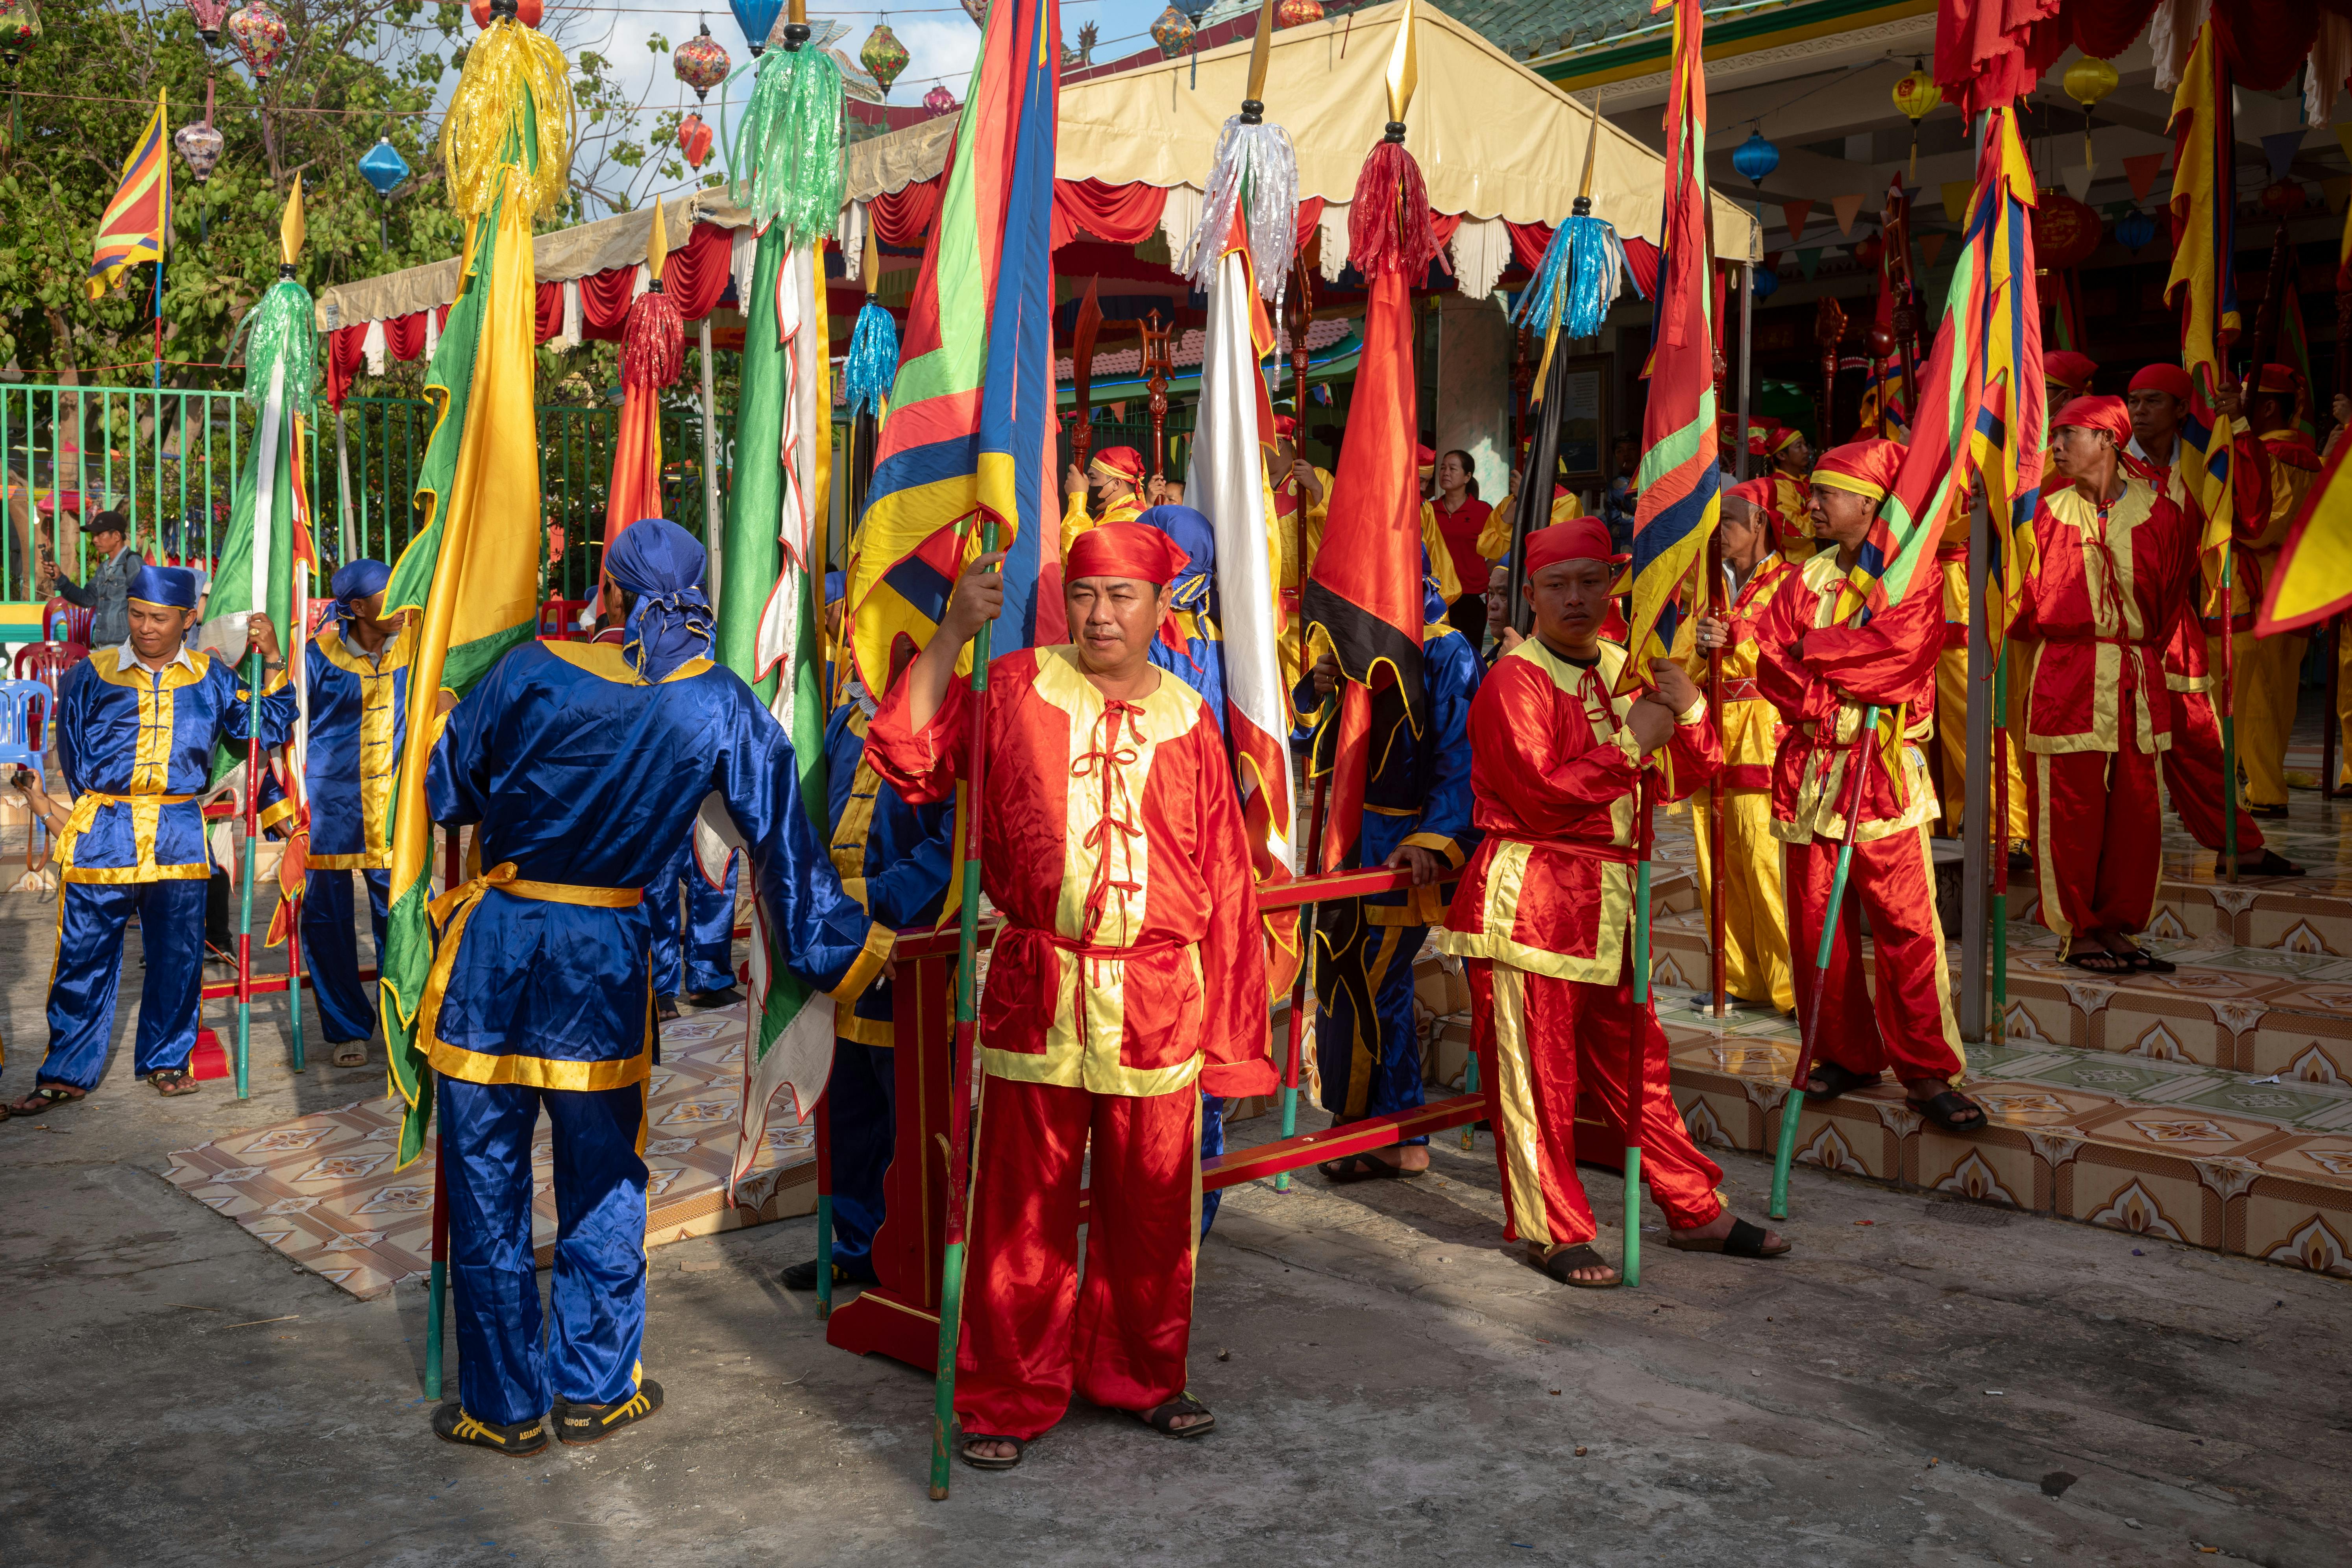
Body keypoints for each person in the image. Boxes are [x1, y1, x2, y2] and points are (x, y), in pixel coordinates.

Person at [422, 517, 886, 1457]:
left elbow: (446, 790)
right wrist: (840, 950)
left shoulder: (522, 670)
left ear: (612, 591)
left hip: (494, 951)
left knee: (485, 1183)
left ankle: (502, 1407)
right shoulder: (718, 699)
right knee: (601, 1179)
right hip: (601, 962)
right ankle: (594, 1388)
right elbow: (783, 843)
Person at [869, 521, 1272, 1469]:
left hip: (1158, 999)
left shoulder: (1189, 717)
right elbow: (911, 748)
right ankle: (1004, 1394)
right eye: (1086, 594)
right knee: (1019, 1212)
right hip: (1037, 987)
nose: (1100, 615)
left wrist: (1231, 1031)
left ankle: (1140, 1373)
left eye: (1122, 597)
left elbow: (1224, 880)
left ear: (1158, 610)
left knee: (1151, 1208)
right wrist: (950, 634)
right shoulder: (1013, 690)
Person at [1434, 518, 1788, 1287]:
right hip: (1530, 905)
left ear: (1612, 588)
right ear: (1529, 595)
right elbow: (1540, 798)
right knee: (1540, 1081)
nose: (1576, 598)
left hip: (1609, 906)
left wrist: (1689, 712)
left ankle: (1694, 1207)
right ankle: (1553, 1230)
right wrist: (1637, 742)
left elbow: (1693, 777)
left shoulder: (1627, 669)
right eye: (1558, 585)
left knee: (1640, 1072)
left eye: (1591, 582)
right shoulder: (1513, 681)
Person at [1754, 439, 1983, 1134]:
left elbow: (1900, 656)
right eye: (1813, 493)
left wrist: (1813, 653)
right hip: (1811, 768)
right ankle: (1844, 1051)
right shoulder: (1805, 577)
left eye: (1826, 493)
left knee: (1906, 925)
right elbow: (1770, 659)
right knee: (1814, 920)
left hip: (1879, 770)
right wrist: (1820, 683)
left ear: (1870, 502)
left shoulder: (1912, 578)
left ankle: (1926, 1068)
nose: (1812, 504)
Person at [6, 566, 291, 1115]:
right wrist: (95, 808)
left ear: (188, 620)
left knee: (177, 957)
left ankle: (166, 1059)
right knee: (82, 957)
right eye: (136, 614)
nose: (145, 627)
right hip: (103, 833)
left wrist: (272, 659)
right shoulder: (92, 673)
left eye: (159, 618)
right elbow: (74, 753)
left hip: (179, 837)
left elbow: (265, 726)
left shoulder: (212, 678)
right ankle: (65, 1072)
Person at [779, 640, 956, 1294]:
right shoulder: (847, 715)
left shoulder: (945, 717)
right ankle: (856, 1241)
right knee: (846, 1104)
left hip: (910, 942)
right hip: (837, 939)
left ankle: (921, 1247)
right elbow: (812, 808)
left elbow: (956, 837)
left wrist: (881, 900)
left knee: (910, 1105)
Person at [1302, 557, 1481, 1182]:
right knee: (1363, 979)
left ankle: (1367, 1127)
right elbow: (1328, 742)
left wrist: (1435, 838)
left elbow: (1462, 754)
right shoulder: (1362, 638)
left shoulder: (1446, 648)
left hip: (1404, 842)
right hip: (1350, 836)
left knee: (1367, 979)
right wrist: (1322, 687)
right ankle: (1397, 1131)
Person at [2014, 396, 2201, 973]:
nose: (2058, 448)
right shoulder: (2042, 515)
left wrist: (2130, 644)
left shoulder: (2162, 513)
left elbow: (2171, 601)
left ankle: (2119, 924)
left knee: (2137, 814)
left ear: (2107, 441)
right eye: (2055, 437)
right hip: (2066, 677)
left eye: (2070, 436)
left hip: (2136, 676)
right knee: (2070, 810)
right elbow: (2019, 603)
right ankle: (2079, 930)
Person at [2125, 364, 2298, 876]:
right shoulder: (2106, 463)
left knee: (2200, 744)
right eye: (2133, 401)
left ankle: (2237, 842)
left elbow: (2251, 516)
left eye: (2153, 401)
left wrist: (2239, 429)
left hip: (2177, 629)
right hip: (2115, 628)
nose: (2139, 411)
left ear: (2183, 409)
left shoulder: (2205, 465)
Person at [1683, 479, 1798, 1014]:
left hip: (1765, 731)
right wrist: (1697, 649)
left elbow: (1796, 652)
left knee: (1765, 862)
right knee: (1717, 863)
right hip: (1712, 729)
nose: (1720, 532)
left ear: (1759, 524)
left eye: (1729, 521)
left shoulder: (1795, 581)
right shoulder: (1708, 583)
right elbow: (1685, 656)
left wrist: (1740, 638)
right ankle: (1735, 977)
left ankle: (1789, 987)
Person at [299, 559, 414, 1068]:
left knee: (402, 917)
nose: (399, 606)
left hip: (395, 809)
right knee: (328, 920)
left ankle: (404, 1018)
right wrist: (286, 806)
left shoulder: (417, 649)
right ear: (358, 608)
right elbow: (289, 730)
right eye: (387, 598)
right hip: (331, 808)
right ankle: (347, 1024)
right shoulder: (316, 657)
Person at [2211, 364, 2320, 818]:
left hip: (2266, 586)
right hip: (2287, 587)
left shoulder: (2287, 457)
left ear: (2268, 406)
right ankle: (2252, 786)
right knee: (2265, 696)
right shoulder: (2293, 455)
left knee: (2256, 696)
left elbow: (2263, 524)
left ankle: (2263, 790)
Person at [1271, 415, 1335, 693]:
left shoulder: (1317, 476)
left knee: (1307, 683)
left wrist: (1316, 489)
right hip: (1268, 607)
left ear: (1281, 444)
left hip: (1308, 607)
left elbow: (1341, 529)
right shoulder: (1255, 487)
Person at [42, 510, 143, 648]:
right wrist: (59, 578)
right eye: (94, 536)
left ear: (117, 536)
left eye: (100, 535)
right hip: (104, 644)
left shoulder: (133, 562)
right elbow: (87, 599)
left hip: (125, 645)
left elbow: (146, 601)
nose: (95, 540)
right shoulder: (103, 568)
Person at [1424, 449, 1492, 638]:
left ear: (1467, 477)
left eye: (1453, 469)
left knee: (1470, 654)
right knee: (1438, 653)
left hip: (1472, 596)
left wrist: (1478, 576)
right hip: (1436, 595)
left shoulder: (1483, 510)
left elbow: (1495, 551)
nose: (1446, 472)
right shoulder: (1428, 509)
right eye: (1443, 468)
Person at [1061, 445, 1149, 559]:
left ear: (1116, 484)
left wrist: (1078, 497)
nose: (1088, 484)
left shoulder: (1128, 518)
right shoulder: (1110, 514)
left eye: (1093, 478)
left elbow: (1078, 556)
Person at [1762, 424, 1816, 560]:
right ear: (1781, 455)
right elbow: (1794, 530)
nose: (1806, 451)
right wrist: (1826, 512)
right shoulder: (1779, 486)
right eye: (1799, 446)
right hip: (1791, 564)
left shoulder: (1804, 481)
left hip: (1808, 560)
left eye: (1805, 444)